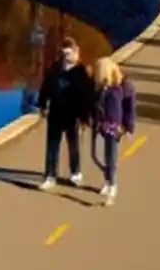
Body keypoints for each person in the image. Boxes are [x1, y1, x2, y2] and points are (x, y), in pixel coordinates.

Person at [37, 37, 94, 191]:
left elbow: (88, 97)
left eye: (70, 54)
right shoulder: (55, 69)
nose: (67, 57)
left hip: (73, 115)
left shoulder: (82, 72)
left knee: (73, 145)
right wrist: (42, 104)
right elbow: (45, 88)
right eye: (65, 54)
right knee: (52, 146)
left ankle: (75, 173)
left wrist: (85, 118)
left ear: (76, 53)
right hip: (55, 113)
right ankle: (50, 175)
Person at [92, 57, 136, 206]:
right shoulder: (100, 88)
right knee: (98, 155)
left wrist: (129, 126)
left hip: (115, 127)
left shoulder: (123, 86)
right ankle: (107, 180)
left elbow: (130, 108)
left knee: (112, 157)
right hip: (101, 125)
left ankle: (113, 185)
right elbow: (94, 104)